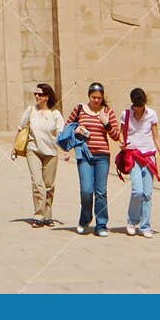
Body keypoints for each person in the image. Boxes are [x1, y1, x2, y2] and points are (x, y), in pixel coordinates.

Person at [67, 81, 120, 235]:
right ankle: (85, 218)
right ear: (89, 96)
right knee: (86, 190)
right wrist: (76, 129)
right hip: (84, 155)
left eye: (99, 98)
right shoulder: (79, 109)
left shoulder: (108, 111)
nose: (96, 100)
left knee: (101, 192)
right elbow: (67, 127)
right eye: (93, 97)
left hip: (102, 156)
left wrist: (107, 124)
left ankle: (101, 224)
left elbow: (116, 136)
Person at [13, 82, 68, 226]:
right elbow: (21, 128)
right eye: (35, 94)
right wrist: (15, 147)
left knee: (49, 186)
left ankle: (47, 215)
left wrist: (65, 151)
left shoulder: (55, 114)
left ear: (47, 97)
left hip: (51, 152)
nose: (37, 96)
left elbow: (61, 134)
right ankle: (38, 215)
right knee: (37, 183)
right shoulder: (30, 110)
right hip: (33, 150)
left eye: (40, 94)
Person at [117, 87, 160, 237]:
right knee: (137, 191)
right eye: (136, 106)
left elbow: (156, 137)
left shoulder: (151, 114)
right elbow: (120, 134)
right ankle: (132, 221)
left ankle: (145, 226)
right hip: (133, 155)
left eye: (141, 106)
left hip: (149, 157)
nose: (138, 110)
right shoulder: (126, 114)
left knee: (147, 193)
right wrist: (121, 143)